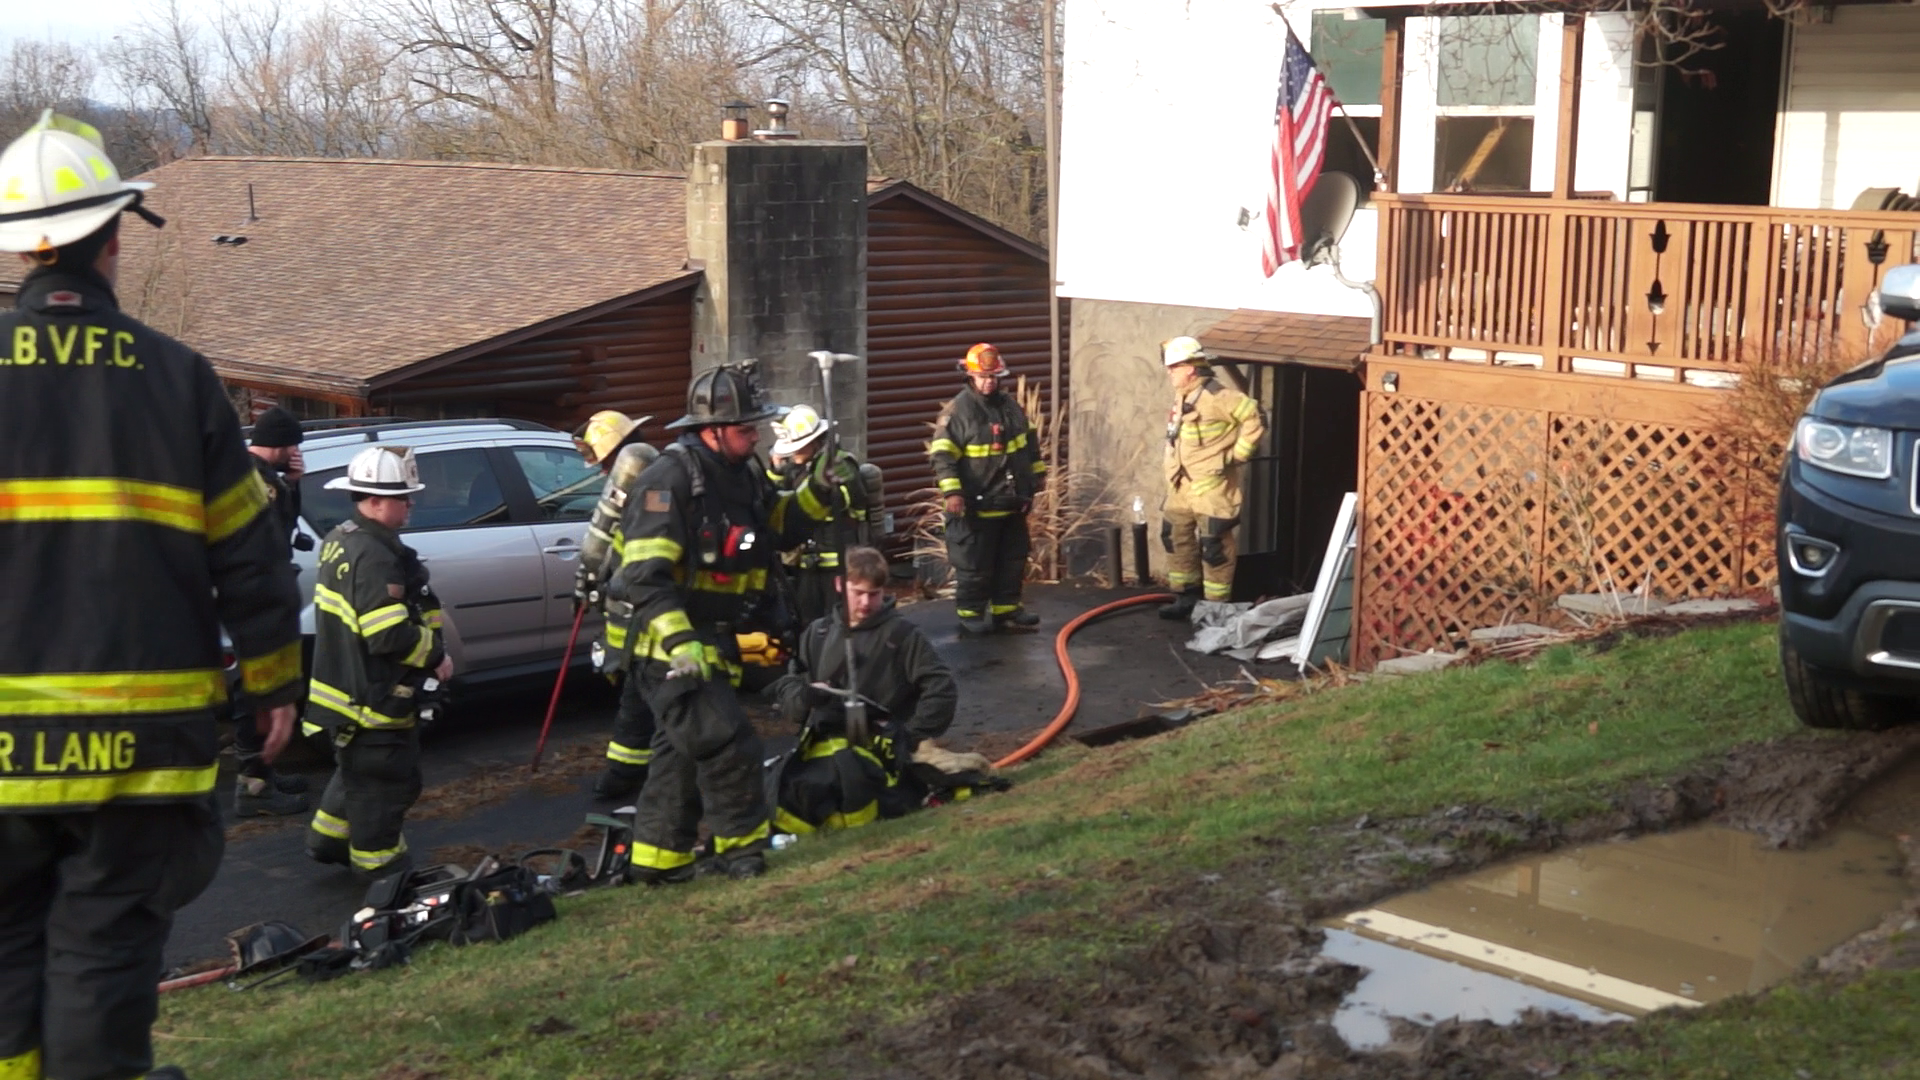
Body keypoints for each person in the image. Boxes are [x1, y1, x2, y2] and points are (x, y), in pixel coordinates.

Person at [0, 112, 302, 1080]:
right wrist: (273, 688)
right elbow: (251, 557)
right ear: (116, 236)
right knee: (101, 956)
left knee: (6, 958)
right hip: (143, 753)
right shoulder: (179, 380)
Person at [605, 362, 841, 883]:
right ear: (708, 431)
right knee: (729, 743)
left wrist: (816, 492)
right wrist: (682, 642)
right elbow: (645, 576)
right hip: (666, 650)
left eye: (753, 425)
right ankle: (742, 854)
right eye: (743, 427)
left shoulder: (744, 472)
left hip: (715, 639)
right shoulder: (666, 483)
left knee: (681, 757)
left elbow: (772, 530)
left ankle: (656, 864)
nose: (754, 434)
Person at [304, 445, 450, 882]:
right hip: (375, 696)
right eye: (404, 497)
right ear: (376, 500)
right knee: (386, 785)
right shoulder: (374, 555)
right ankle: (385, 876)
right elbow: (387, 635)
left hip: (345, 693)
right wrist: (436, 654)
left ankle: (328, 840)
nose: (411, 504)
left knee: (356, 772)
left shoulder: (341, 539)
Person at [769, 546, 982, 834]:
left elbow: (941, 687)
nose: (866, 603)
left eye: (874, 593)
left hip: (882, 760)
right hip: (825, 754)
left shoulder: (901, 636)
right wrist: (804, 697)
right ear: (839, 585)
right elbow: (788, 685)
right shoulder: (817, 634)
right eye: (858, 592)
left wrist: (910, 738)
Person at [568, 410, 661, 801]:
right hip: (641, 611)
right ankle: (627, 772)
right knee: (641, 697)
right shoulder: (658, 480)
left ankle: (626, 776)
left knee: (642, 699)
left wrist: (587, 582)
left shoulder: (636, 473)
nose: (603, 472)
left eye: (603, 461)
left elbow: (601, 543)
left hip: (645, 613)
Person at [928, 343, 1047, 635]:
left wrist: (1034, 481)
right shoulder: (959, 411)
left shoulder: (1010, 407)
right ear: (970, 376)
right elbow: (942, 455)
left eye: (994, 376)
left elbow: (1029, 445)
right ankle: (971, 616)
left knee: (1011, 561)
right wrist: (953, 493)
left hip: (1010, 502)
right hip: (975, 506)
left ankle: (1006, 612)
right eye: (983, 377)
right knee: (974, 565)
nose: (989, 381)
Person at [233, 405, 313, 817]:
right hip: (258, 600)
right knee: (257, 693)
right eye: (294, 446)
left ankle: (263, 770)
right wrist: (289, 487)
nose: (297, 452)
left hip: (252, 597)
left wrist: (293, 482)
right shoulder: (262, 484)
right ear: (282, 444)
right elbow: (278, 534)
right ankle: (254, 786)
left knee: (259, 691)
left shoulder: (249, 474)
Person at [1157, 336, 1267, 621]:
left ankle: (1216, 608)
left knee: (1214, 546)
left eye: (1174, 367)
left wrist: (1237, 455)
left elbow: (1256, 418)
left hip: (1212, 488)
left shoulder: (1220, 396)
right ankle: (1186, 598)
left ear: (1191, 368)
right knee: (1176, 538)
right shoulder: (1184, 395)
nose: (1170, 373)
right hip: (1181, 486)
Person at [767, 403, 873, 630]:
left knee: (839, 622)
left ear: (814, 442)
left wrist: (821, 487)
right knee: (807, 624)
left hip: (837, 562)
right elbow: (776, 500)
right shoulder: (800, 467)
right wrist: (775, 471)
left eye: (797, 446)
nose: (792, 452)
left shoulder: (840, 463)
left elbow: (847, 500)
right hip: (807, 563)